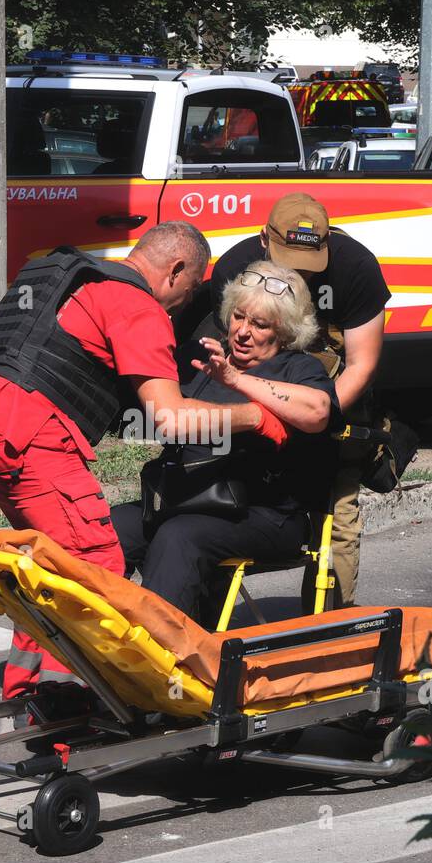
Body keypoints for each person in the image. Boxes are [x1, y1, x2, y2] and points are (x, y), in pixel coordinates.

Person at [0, 222, 288, 699]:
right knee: (91, 563)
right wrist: (254, 417)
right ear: (176, 270)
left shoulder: (74, 273)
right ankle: (66, 703)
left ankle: (27, 686)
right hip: (30, 434)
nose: (183, 307)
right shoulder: (137, 304)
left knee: (49, 558)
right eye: (188, 293)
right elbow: (169, 419)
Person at [112, 261, 337, 619]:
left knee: (179, 536)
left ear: (284, 333)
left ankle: (162, 653)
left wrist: (237, 380)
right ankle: (88, 641)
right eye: (239, 317)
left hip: (264, 513)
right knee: (106, 529)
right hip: (179, 497)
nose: (243, 332)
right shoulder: (199, 356)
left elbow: (318, 412)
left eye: (260, 325)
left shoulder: (297, 368)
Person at [204, 193, 387, 607]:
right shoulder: (236, 270)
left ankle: (327, 623)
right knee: (219, 496)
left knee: (336, 508)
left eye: (309, 262)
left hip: (332, 395)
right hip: (257, 390)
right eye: (288, 259)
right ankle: (204, 614)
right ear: (264, 241)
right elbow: (237, 352)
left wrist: (315, 419)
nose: (300, 272)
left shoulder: (356, 268)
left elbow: (361, 365)